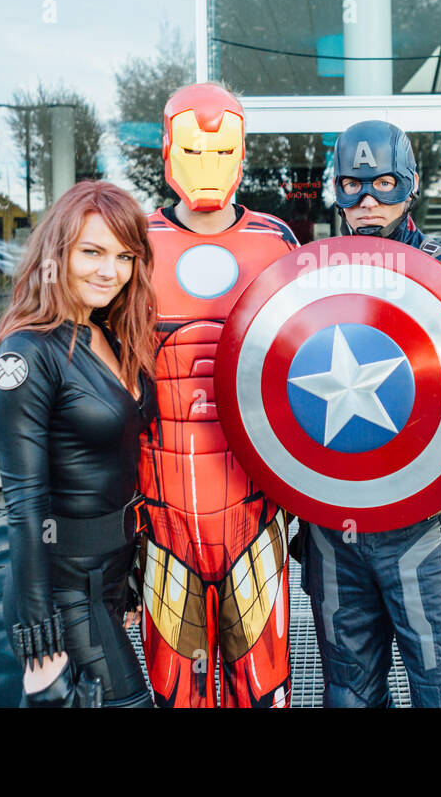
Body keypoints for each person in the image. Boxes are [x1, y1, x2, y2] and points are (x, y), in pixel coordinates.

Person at [296, 119, 441, 708]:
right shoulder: (305, 279)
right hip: (333, 523)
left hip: (425, 522)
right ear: (336, 188)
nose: (369, 200)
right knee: (348, 693)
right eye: (353, 185)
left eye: (384, 182)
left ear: (412, 184)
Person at [138, 82, 299, 707]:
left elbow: (300, 368)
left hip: (253, 507)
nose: (208, 165)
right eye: (192, 149)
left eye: (223, 148)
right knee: (175, 684)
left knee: (262, 682)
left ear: (242, 151)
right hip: (160, 506)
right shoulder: (134, 242)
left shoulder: (276, 244)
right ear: (166, 150)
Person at [0, 179, 158, 708]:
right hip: (61, 589)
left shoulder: (107, 332)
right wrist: (39, 637)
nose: (111, 270)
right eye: (92, 252)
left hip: (107, 576)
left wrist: (129, 574)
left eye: (125, 256)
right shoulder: (26, 354)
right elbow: (24, 504)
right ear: (57, 252)